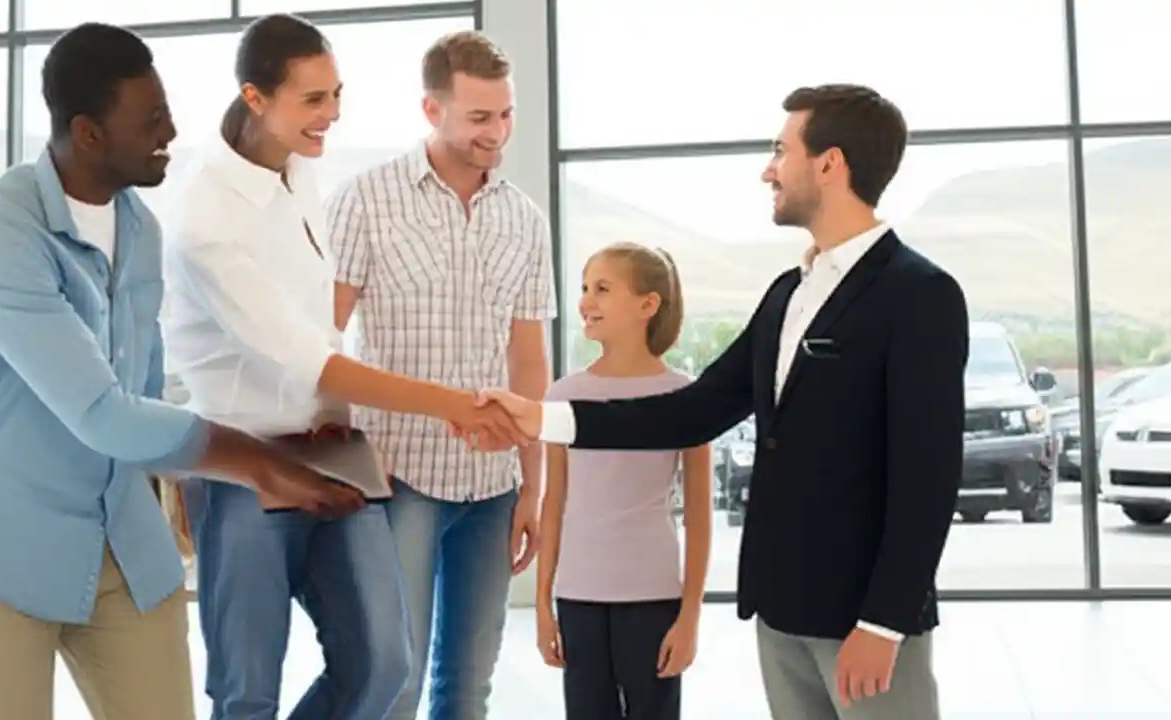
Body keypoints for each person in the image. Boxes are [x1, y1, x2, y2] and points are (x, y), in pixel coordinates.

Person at [477, 84, 969, 720]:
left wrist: (885, 622)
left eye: (779, 151)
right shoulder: (787, 293)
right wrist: (542, 417)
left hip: (864, 620)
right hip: (782, 612)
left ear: (830, 164)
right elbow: (694, 410)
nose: (768, 169)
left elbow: (928, 477)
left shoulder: (921, 293)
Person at [0, 23, 367, 720]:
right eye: (150, 119)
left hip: (121, 540)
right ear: (89, 133)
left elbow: (145, 378)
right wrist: (262, 466)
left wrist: (180, 480)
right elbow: (102, 410)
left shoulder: (139, 227)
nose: (171, 130)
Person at [160, 15, 521, 720]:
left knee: (387, 664)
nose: (332, 114)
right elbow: (312, 359)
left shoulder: (300, 167)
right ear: (256, 98)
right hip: (242, 460)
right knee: (247, 692)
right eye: (313, 100)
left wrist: (353, 427)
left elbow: (318, 320)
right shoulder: (206, 217)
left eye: (336, 94)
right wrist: (452, 404)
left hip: (330, 449)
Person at [326, 29, 556, 719]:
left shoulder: (525, 220)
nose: (498, 132)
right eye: (480, 117)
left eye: (506, 114)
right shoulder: (365, 200)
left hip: (492, 490)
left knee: (467, 688)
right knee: (393, 679)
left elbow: (529, 363)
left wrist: (531, 487)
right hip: (397, 478)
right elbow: (319, 345)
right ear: (433, 110)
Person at [535, 242, 712, 720]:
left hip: (653, 598)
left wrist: (690, 616)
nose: (585, 301)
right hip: (579, 597)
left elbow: (699, 515)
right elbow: (554, 504)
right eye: (585, 288)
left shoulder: (686, 397)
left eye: (602, 289)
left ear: (646, 305)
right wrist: (543, 604)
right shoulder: (563, 396)